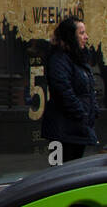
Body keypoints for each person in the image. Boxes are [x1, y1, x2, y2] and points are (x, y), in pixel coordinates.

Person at [42, 17, 100, 163]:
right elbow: (63, 91)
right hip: (63, 130)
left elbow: (87, 90)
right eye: (81, 33)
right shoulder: (59, 59)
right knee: (60, 175)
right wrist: (82, 113)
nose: (86, 37)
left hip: (76, 129)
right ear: (70, 36)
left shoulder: (76, 59)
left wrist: (92, 111)